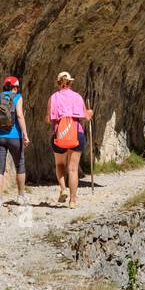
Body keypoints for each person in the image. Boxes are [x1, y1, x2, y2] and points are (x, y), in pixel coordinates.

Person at [48, 70, 92, 208]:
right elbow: (86, 116)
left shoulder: (53, 97)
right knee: (73, 169)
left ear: (58, 82)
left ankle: (63, 188)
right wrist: (89, 113)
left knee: (60, 164)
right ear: (70, 82)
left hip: (60, 134)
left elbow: (49, 119)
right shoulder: (78, 97)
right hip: (76, 133)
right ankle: (72, 200)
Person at [0, 74, 29, 206]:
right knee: (20, 165)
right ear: (14, 88)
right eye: (16, 87)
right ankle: (20, 196)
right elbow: (19, 116)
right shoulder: (17, 97)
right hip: (14, 137)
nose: (17, 89)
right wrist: (25, 134)